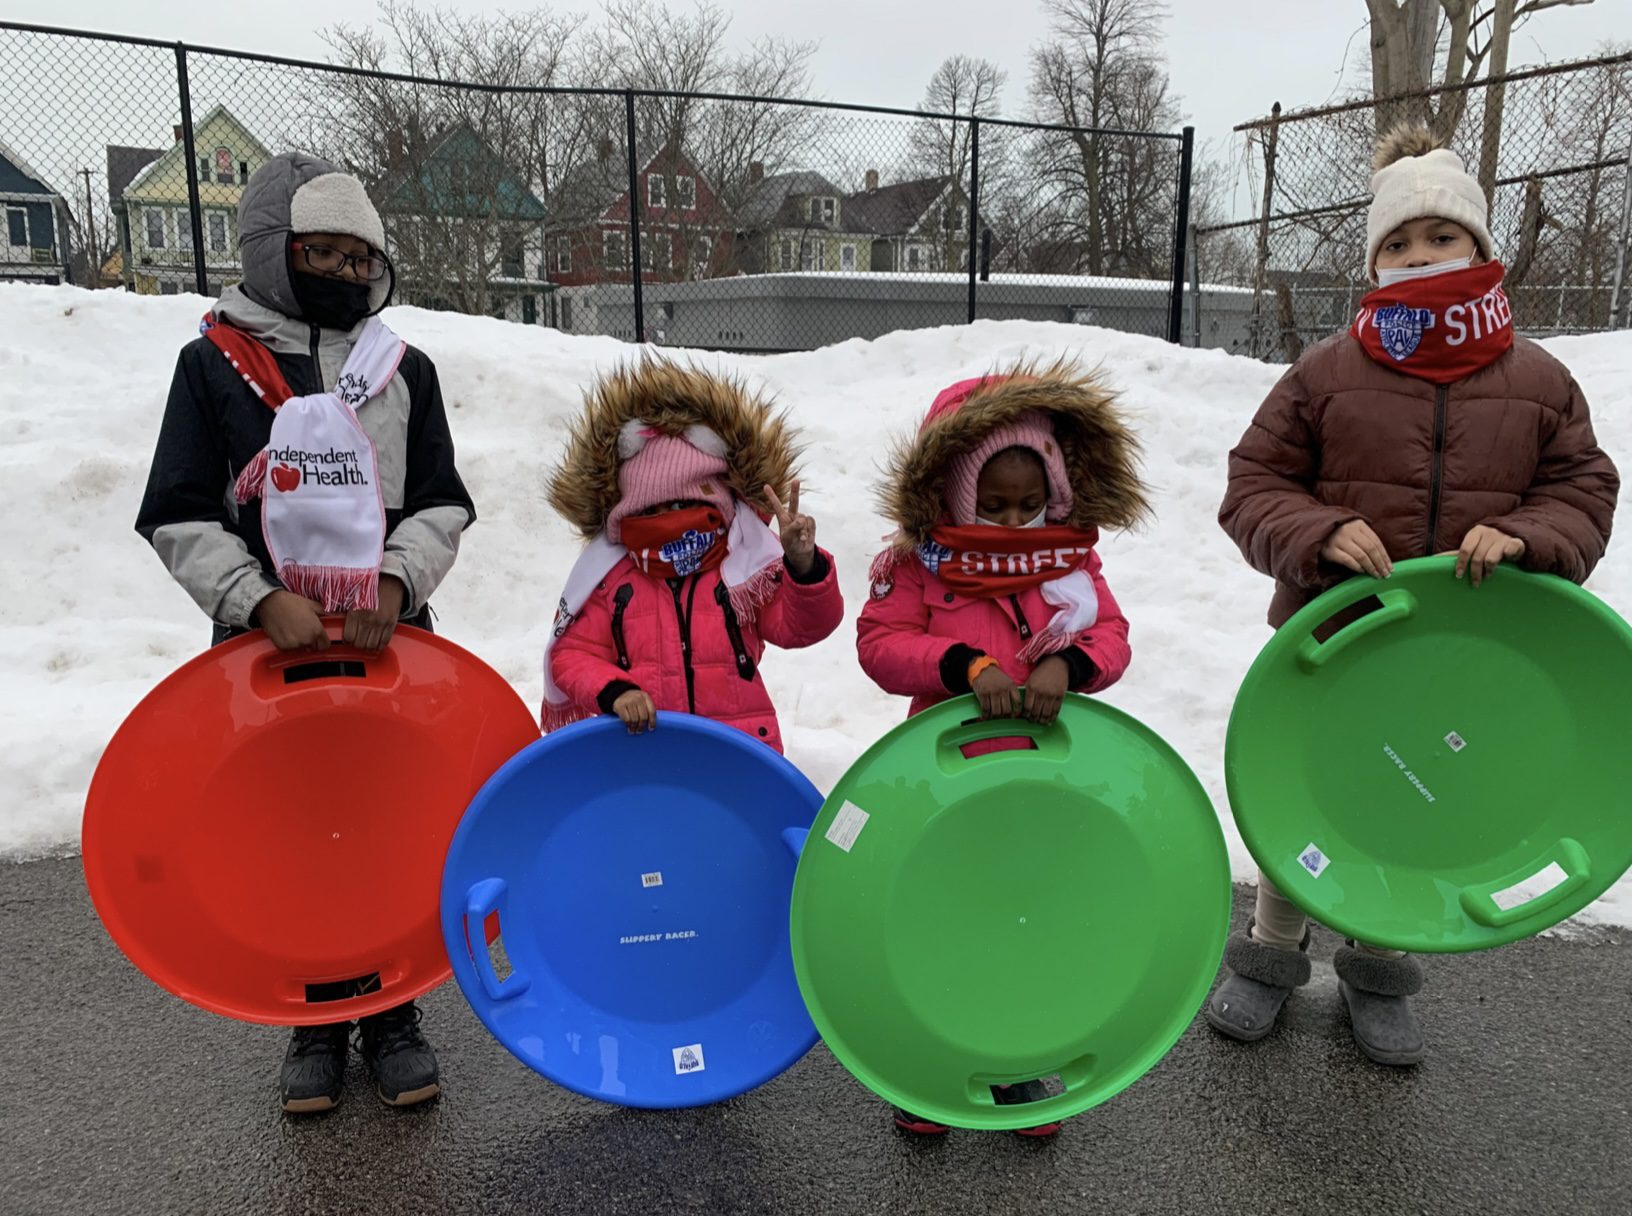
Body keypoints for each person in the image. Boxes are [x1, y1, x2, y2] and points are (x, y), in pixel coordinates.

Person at [1213, 125, 1619, 1066]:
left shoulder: (1539, 380)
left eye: (1440, 236)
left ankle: (1378, 970)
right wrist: (1314, 533)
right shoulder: (1326, 372)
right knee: (1307, 798)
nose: (1419, 256)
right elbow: (1252, 487)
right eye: (1397, 243)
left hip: (1464, 652)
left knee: (1408, 806)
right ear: (1374, 261)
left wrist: (1529, 536)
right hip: (1338, 640)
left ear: (1481, 250)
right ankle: (1271, 956)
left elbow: (1583, 491)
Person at [135, 152, 475, 1113]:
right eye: (319, 251)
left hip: (384, 646)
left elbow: (442, 501)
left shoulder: (403, 370)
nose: (343, 271)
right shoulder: (212, 366)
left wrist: (400, 582)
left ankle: (396, 1009)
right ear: (274, 252)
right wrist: (251, 597)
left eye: (358, 256)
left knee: (384, 825)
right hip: (264, 655)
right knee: (293, 833)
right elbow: (178, 510)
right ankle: (317, 1023)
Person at [855, 361, 1150, 1136]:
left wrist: (1070, 662)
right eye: (993, 506)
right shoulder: (918, 566)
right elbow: (881, 645)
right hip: (946, 786)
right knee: (941, 925)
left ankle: (1022, 1063)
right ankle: (930, 1071)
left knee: (1029, 926)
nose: (1015, 523)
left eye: (1029, 504)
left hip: (1040, 786)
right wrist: (960, 665)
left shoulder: (1070, 565)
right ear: (955, 496)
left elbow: (1111, 638)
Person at [541, 360, 843, 751]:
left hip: (739, 755)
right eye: (652, 512)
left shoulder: (741, 572)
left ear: (720, 506)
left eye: (685, 505)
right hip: (644, 759)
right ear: (626, 515)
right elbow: (571, 653)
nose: (670, 522)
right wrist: (615, 691)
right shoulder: (613, 580)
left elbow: (800, 627)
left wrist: (804, 567)